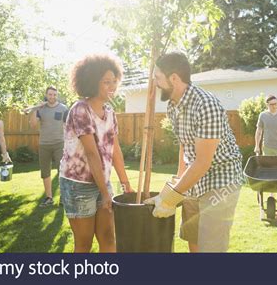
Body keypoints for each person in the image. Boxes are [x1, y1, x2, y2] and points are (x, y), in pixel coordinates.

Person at [146, 52, 244, 253]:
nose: (155, 83)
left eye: (157, 78)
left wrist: (170, 198)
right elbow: (185, 145)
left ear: (173, 78)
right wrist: (177, 181)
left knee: (211, 247)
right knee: (193, 238)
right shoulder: (174, 107)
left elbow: (203, 162)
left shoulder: (205, 105)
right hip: (194, 180)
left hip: (220, 180)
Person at [60, 54, 134, 253]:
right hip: (78, 184)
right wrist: (104, 192)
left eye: (114, 81)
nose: (112, 86)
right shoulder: (80, 110)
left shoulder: (109, 111)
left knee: (109, 238)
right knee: (84, 244)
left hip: (102, 181)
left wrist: (125, 183)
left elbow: (115, 149)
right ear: (92, 82)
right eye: (106, 82)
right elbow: (92, 154)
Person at [29, 87, 68, 207]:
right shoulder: (41, 109)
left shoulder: (63, 108)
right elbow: (33, 125)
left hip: (59, 143)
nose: (52, 97)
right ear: (46, 95)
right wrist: (35, 109)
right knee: (45, 172)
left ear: (57, 95)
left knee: (62, 171)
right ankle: (49, 198)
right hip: (44, 144)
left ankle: (63, 197)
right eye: (50, 94)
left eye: (54, 95)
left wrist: (68, 142)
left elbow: (67, 126)